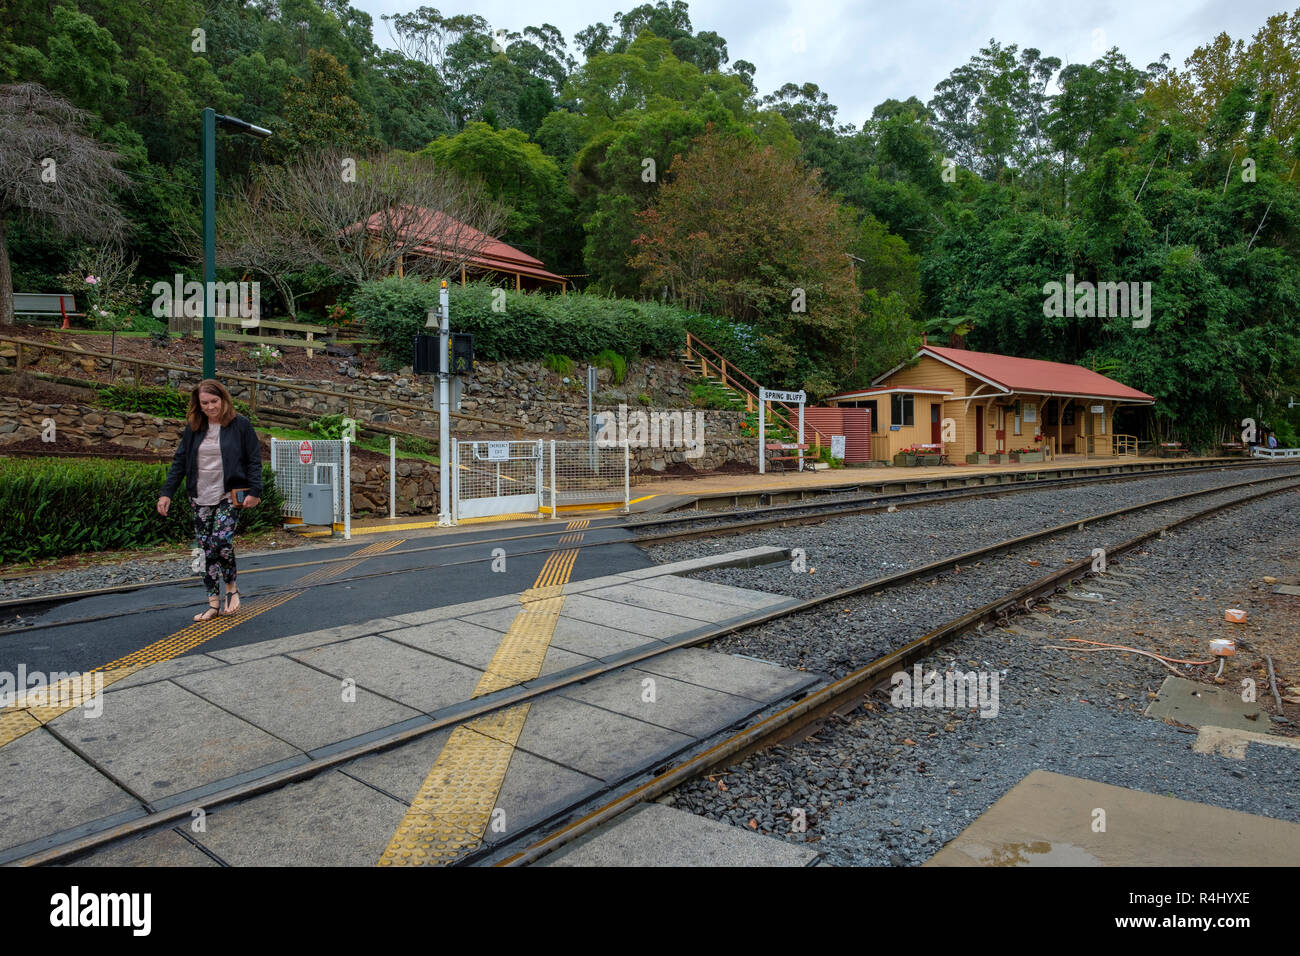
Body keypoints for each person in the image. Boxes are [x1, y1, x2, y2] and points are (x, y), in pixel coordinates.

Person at [157, 380, 262, 621]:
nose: (210, 407)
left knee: (221, 542)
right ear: (198, 404)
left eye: (214, 401)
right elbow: (180, 462)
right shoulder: (194, 427)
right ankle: (213, 603)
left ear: (224, 400)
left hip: (228, 495)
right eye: (205, 403)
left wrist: (255, 492)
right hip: (200, 496)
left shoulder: (240, 425)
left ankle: (231, 589)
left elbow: (254, 460)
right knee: (205, 550)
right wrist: (167, 493)